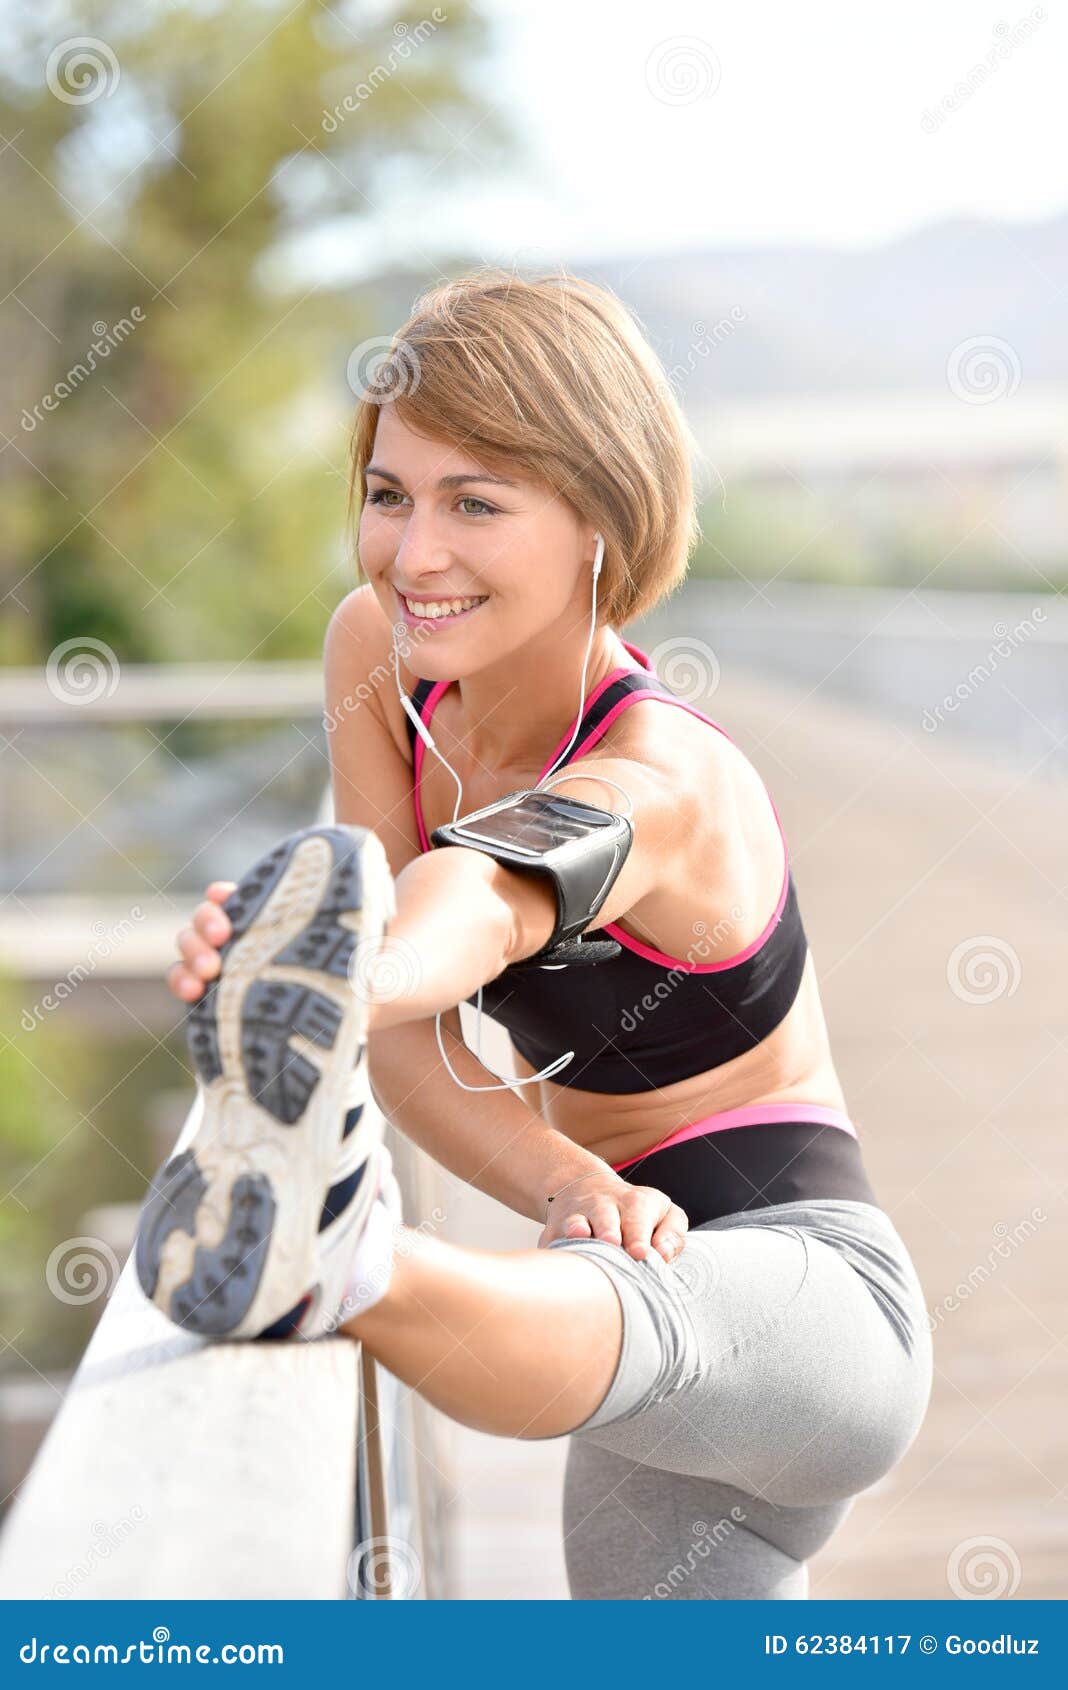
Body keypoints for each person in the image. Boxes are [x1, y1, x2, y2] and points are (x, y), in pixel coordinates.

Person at [137, 269, 933, 1601]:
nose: (413, 552)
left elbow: (489, 899)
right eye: (389, 494)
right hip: (622, 1273)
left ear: (598, 527)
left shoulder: (664, 775)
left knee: (617, 1304)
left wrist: (344, 967)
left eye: (477, 503)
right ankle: (330, 1245)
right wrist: (561, 1181)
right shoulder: (379, 658)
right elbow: (410, 1047)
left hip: (809, 1305)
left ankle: (333, 1259)